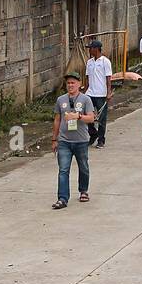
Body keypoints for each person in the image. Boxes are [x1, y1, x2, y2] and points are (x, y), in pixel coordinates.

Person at [52, 73, 95, 209]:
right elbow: (57, 119)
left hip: (81, 140)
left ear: (79, 84)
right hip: (64, 141)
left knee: (83, 167)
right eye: (68, 83)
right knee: (63, 169)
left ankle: (83, 190)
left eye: (73, 83)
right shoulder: (61, 100)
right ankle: (62, 198)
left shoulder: (85, 99)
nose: (70, 85)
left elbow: (91, 118)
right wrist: (54, 138)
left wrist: (78, 116)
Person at [84, 40, 113, 148]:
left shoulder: (105, 61)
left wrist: (108, 92)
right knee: (87, 116)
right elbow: (87, 78)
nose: (90, 50)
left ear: (96, 49)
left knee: (102, 118)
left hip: (101, 93)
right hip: (90, 93)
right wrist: (83, 93)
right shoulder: (89, 62)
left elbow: (108, 78)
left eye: (91, 48)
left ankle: (101, 139)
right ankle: (93, 134)